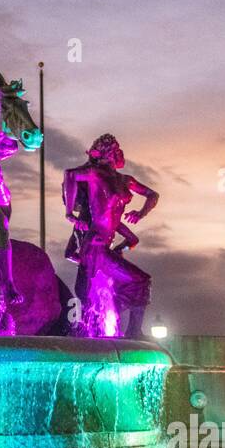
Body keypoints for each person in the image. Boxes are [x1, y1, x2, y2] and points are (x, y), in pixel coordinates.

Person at [62, 134, 160, 337]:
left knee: (137, 282)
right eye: (106, 152)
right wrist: (69, 213)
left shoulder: (125, 180)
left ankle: (116, 320)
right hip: (95, 245)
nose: (110, 156)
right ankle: (132, 330)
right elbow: (70, 175)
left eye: (113, 151)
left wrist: (141, 213)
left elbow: (152, 195)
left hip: (104, 246)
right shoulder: (95, 174)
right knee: (140, 280)